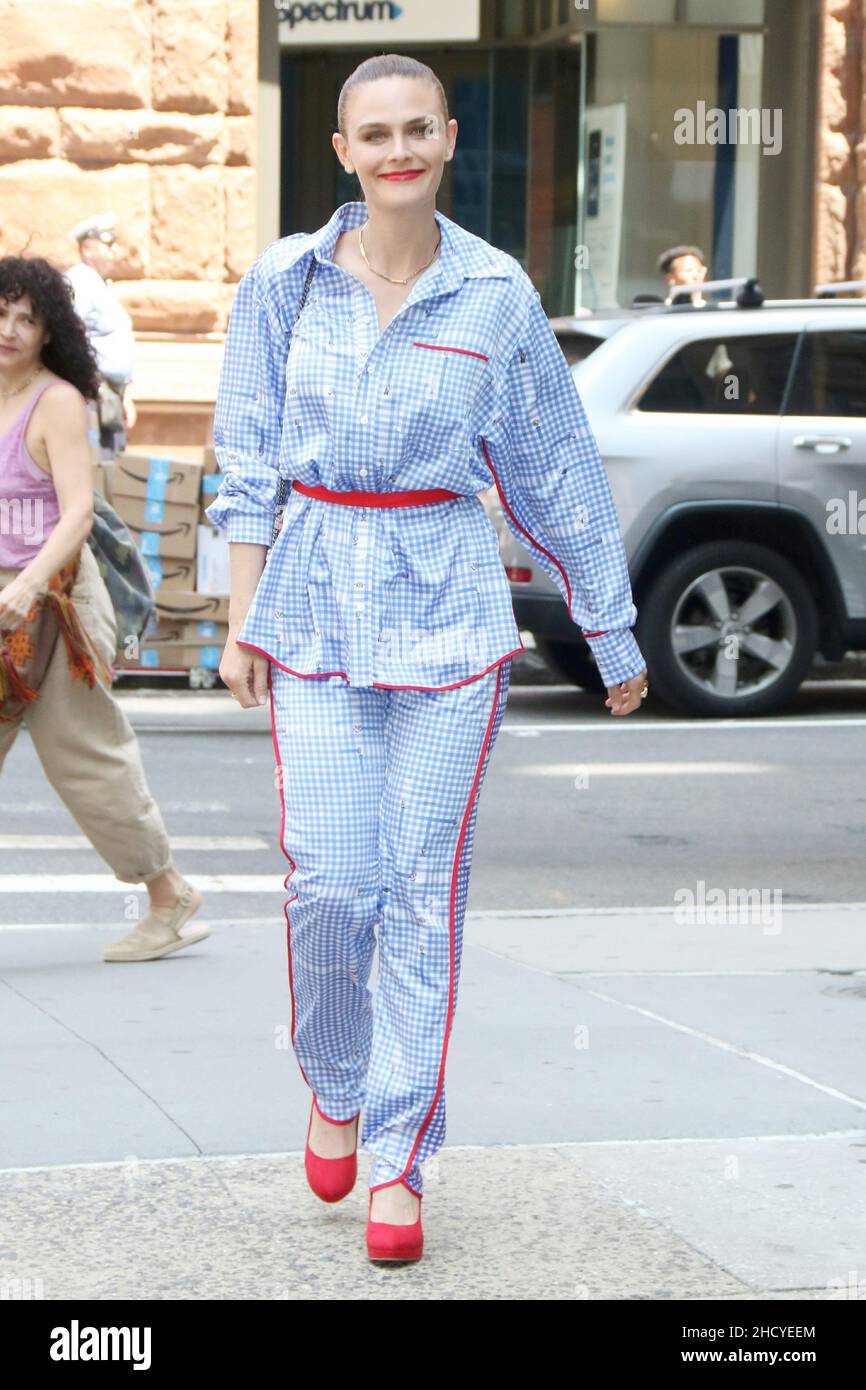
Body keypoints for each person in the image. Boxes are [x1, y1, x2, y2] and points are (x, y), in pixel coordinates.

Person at [207, 52, 649, 1264]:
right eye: (373, 133)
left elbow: (554, 468)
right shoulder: (283, 285)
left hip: (450, 608)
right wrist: (243, 617)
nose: (397, 150)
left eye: (417, 129)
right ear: (341, 150)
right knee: (329, 883)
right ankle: (334, 1075)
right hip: (312, 602)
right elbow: (243, 456)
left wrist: (606, 627)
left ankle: (400, 1157)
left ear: (447, 139)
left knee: (418, 889)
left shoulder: (497, 295)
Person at [0, 254, 206, 962]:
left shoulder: (54, 400)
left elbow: (78, 513)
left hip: (55, 597)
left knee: (84, 754)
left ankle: (168, 894)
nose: (10, 329)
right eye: (2, 313)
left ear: (48, 331)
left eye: (27, 319)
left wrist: (27, 586)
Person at [64, 213, 137, 460]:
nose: (114, 250)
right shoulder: (81, 281)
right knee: (97, 473)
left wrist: (125, 395)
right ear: (87, 248)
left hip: (109, 397)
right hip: (91, 397)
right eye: (108, 244)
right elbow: (69, 335)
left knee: (111, 469)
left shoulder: (100, 284)